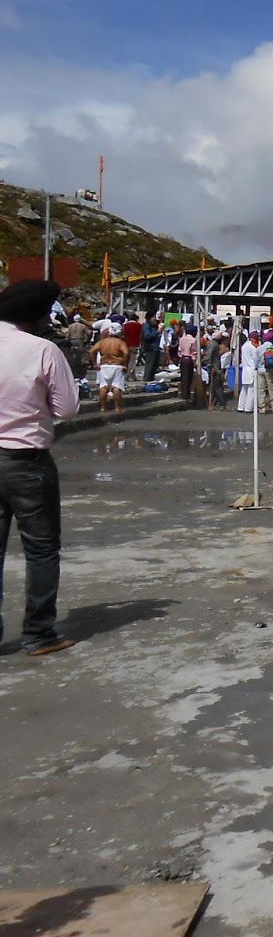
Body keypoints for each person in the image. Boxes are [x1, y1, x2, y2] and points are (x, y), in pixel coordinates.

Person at [0, 280, 80, 656]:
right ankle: (39, 632)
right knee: (42, 550)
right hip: (26, 460)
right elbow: (67, 409)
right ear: (38, 315)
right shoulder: (42, 350)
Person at [90, 323, 130, 413]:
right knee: (116, 387)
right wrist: (125, 364)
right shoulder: (120, 343)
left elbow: (92, 351)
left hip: (104, 366)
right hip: (117, 365)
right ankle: (117, 407)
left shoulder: (102, 342)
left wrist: (94, 364)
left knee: (103, 387)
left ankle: (103, 407)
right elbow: (126, 353)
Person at [237, 329, 263, 412]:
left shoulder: (244, 345)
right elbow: (255, 359)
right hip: (252, 369)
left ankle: (240, 406)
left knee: (244, 389)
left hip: (245, 369)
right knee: (251, 390)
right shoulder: (253, 347)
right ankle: (248, 408)